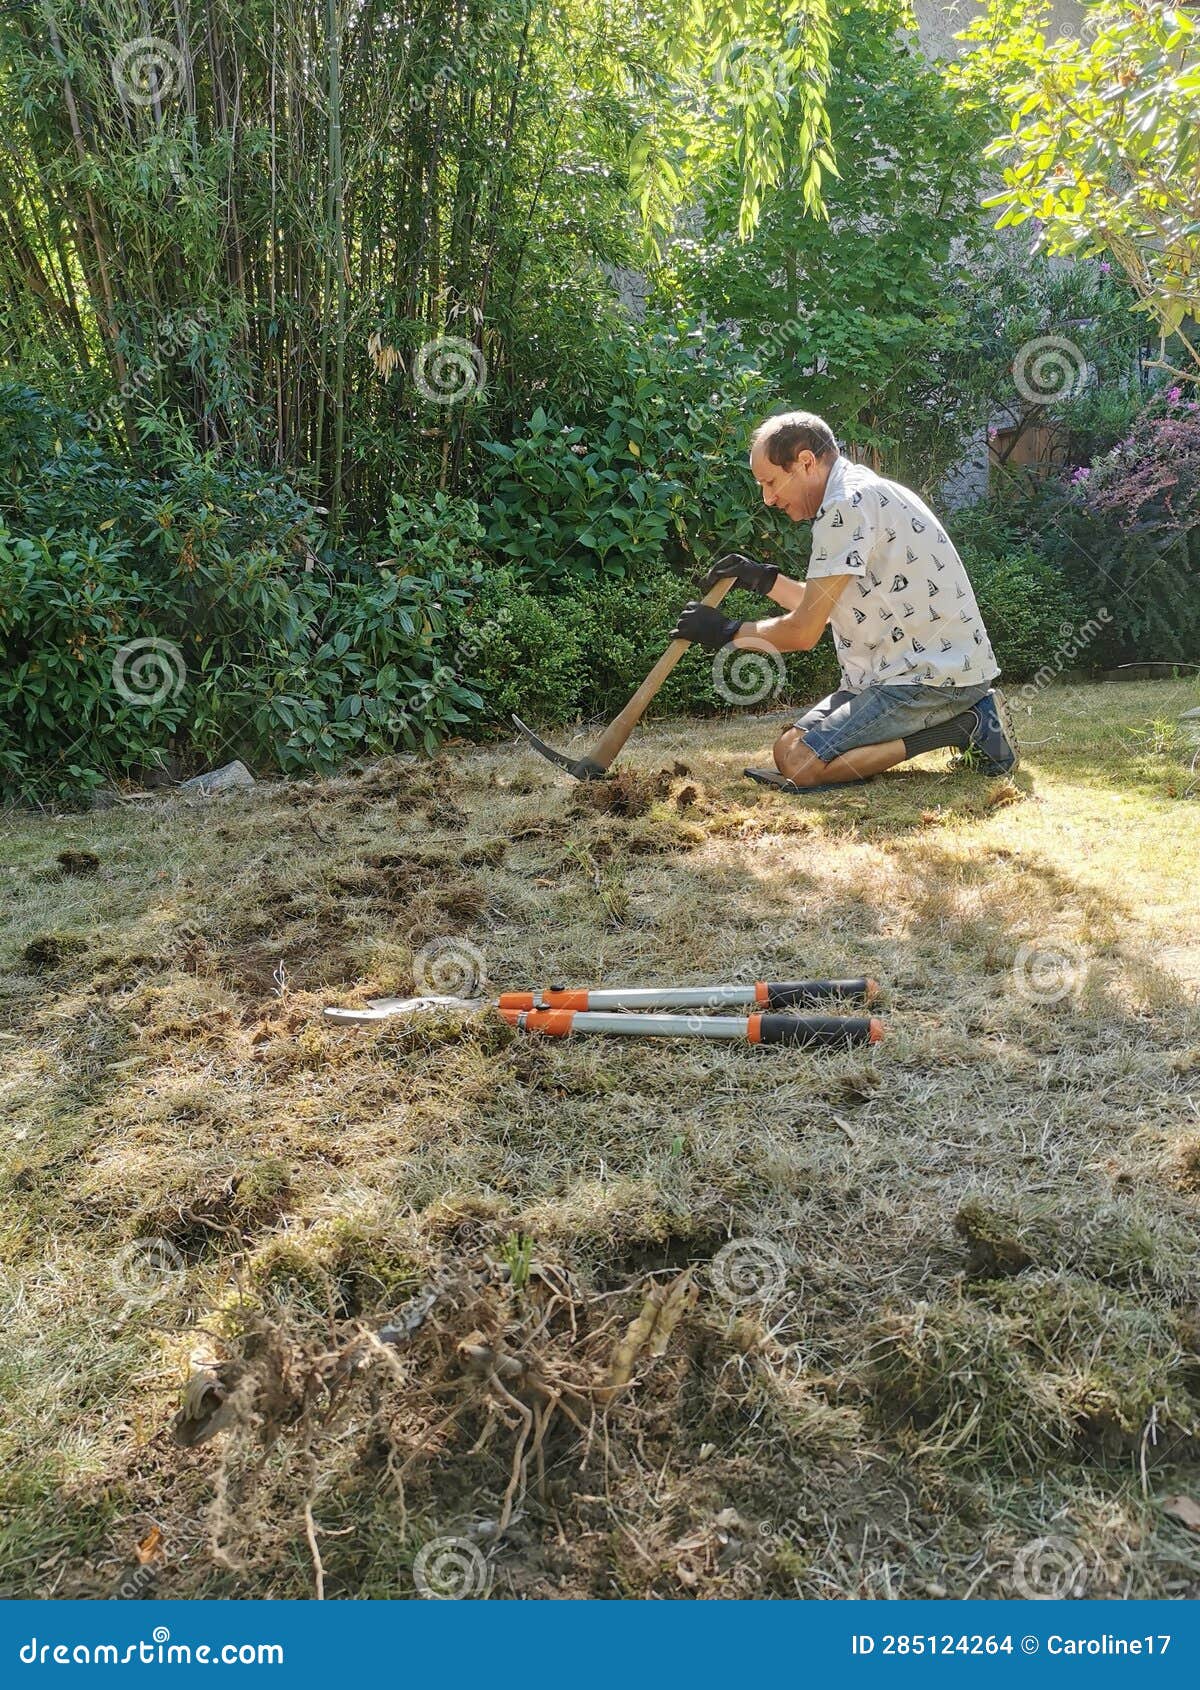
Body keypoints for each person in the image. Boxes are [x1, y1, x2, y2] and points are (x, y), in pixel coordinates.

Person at [670, 411, 1019, 792]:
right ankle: (963, 721)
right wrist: (763, 579)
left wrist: (725, 633)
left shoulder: (846, 505)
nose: (767, 498)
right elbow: (822, 610)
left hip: (932, 676)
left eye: (770, 482)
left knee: (802, 767)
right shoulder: (856, 494)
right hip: (886, 676)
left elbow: (804, 632)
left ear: (805, 462)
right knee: (786, 750)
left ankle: (968, 724)